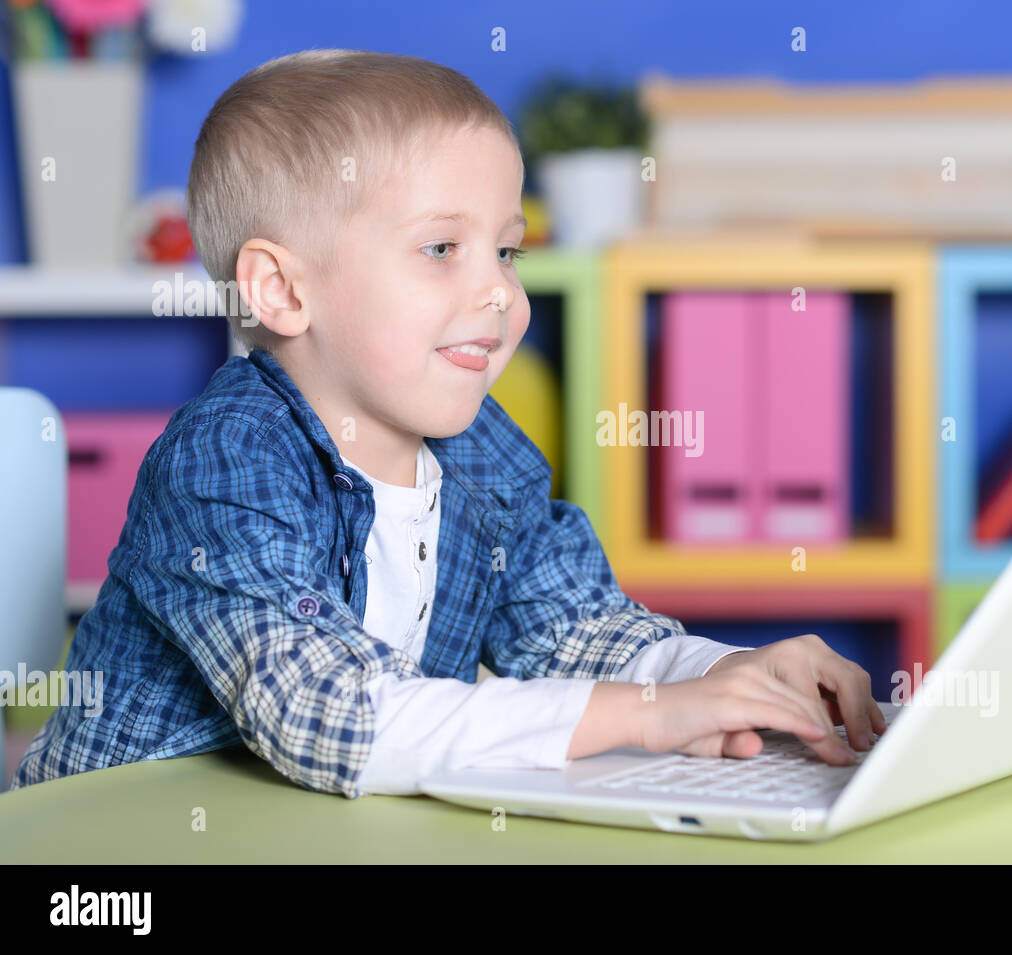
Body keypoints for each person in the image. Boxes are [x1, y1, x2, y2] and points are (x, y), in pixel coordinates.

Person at [11, 50, 886, 798]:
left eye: (506, 250)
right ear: (281, 289)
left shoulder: (481, 449)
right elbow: (329, 713)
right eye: (442, 250)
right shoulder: (225, 460)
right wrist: (652, 716)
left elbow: (573, 628)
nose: (500, 293)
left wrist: (715, 675)